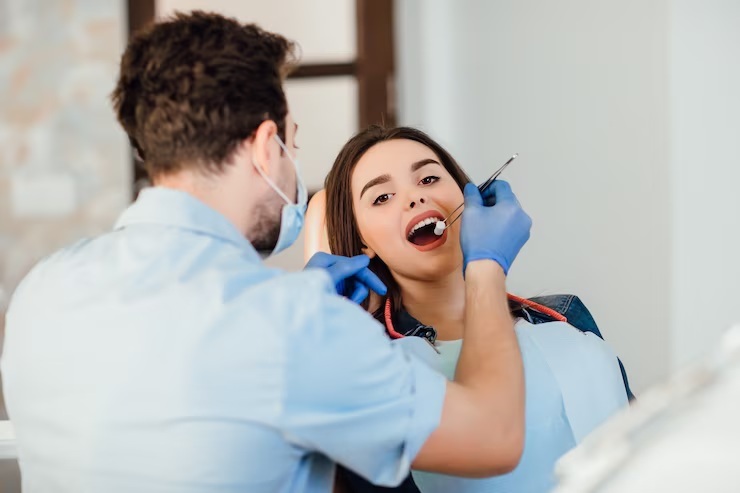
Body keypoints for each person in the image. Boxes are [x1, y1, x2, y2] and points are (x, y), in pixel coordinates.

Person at [0, 11, 533, 493]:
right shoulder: (292, 322)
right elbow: (496, 435)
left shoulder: (41, 291)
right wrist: (485, 265)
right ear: (264, 147)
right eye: (292, 146)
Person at [322, 125, 630, 492]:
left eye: (429, 178)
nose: (414, 199)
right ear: (362, 242)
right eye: (382, 197)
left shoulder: (565, 316)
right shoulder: (368, 369)